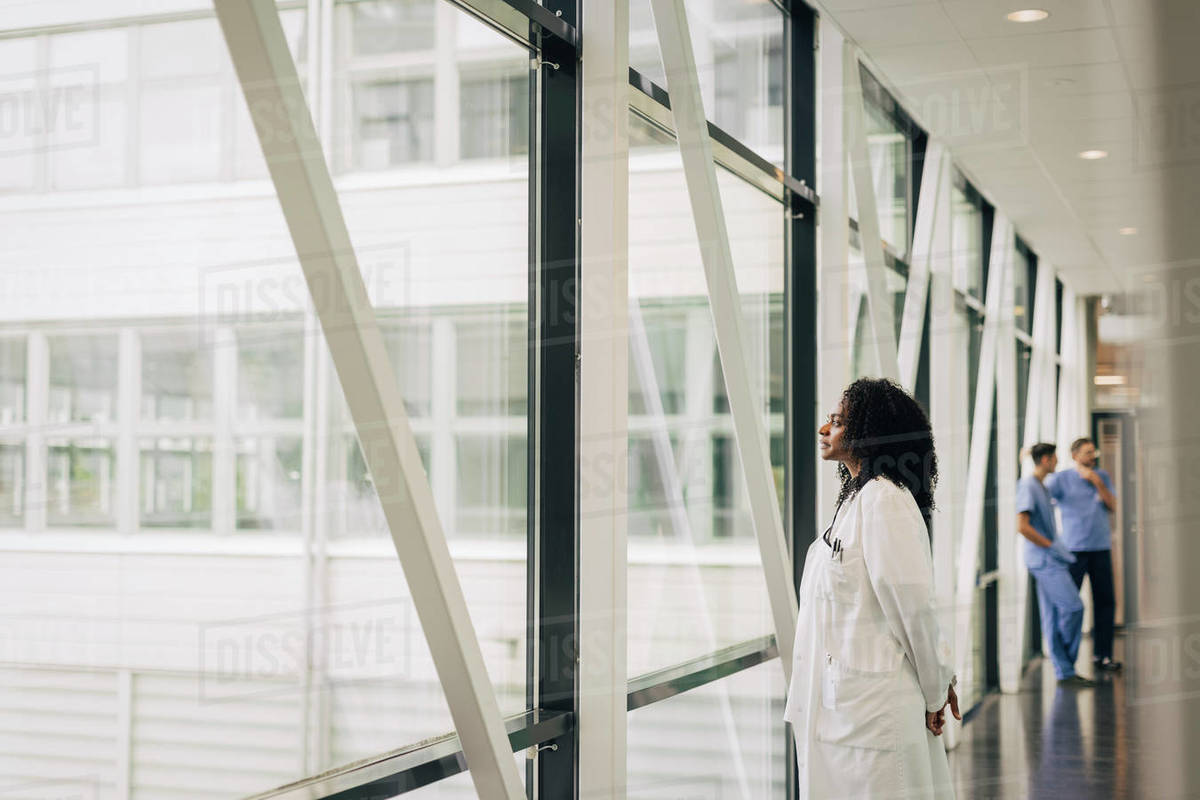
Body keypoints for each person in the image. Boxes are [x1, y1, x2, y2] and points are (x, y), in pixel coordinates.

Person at [785, 377, 957, 799]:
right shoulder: (854, 502)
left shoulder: (884, 501)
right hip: (847, 709)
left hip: (875, 713)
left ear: (869, 433)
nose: (825, 430)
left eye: (839, 422)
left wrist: (936, 690)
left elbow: (914, 607)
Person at [1017, 443, 1093, 687]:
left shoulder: (1041, 485)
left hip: (1050, 558)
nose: (1058, 462)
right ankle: (1067, 665)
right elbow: (1022, 526)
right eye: (1056, 458)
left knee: (1051, 616)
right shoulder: (1029, 485)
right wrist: (1049, 546)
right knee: (1073, 608)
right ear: (1047, 460)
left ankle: (1064, 672)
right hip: (1044, 560)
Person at [1047, 437, 1121, 671]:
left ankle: (1103, 656)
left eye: (1094, 452)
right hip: (1074, 551)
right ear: (1075, 455)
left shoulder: (1102, 476)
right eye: (1088, 452)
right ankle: (1064, 659)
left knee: (1105, 602)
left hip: (1100, 548)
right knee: (1069, 604)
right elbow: (1042, 498)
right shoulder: (1062, 479)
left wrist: (1097, 482)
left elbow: (1113, 506)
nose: (1093, 456)